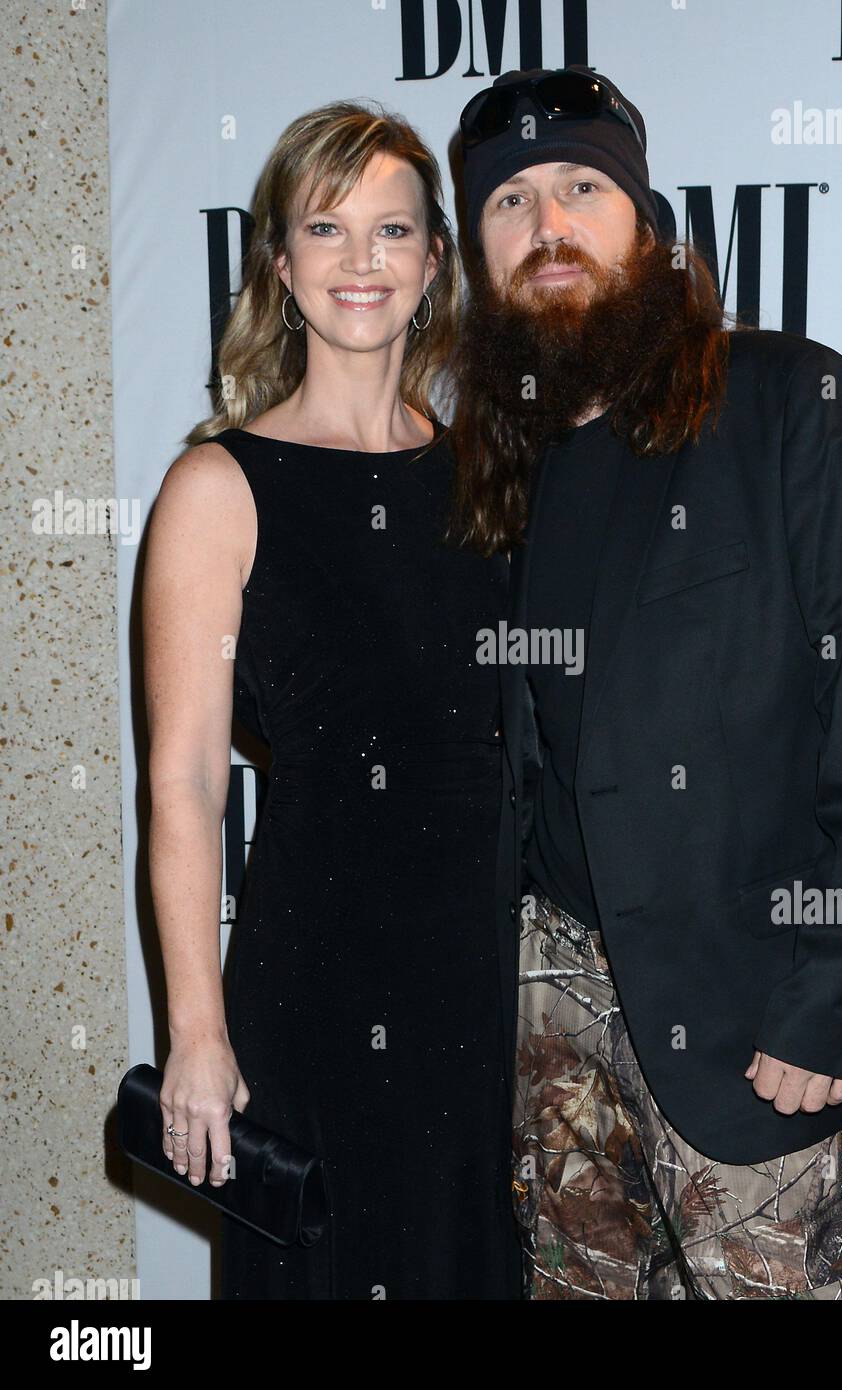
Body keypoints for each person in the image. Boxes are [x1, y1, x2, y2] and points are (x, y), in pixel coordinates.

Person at [447, 66, 842, 1300]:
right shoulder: (497, 462)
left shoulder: (785, 400)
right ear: (475, 253)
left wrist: (829, 1002)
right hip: (553, 1012)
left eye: (582, 187)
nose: (549, 227)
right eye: (509, 203)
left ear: (645, 223)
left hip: (756, 1014)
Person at [141, 100, 523, 1299]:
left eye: (393, 231)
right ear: (281, 263)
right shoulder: (218, 484)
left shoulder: (490, 476)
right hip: (316, 979)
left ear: (432, 266)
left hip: (482, 979)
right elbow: (187, 783)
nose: (361, 262)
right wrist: (196, 1031)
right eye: (326, 227)